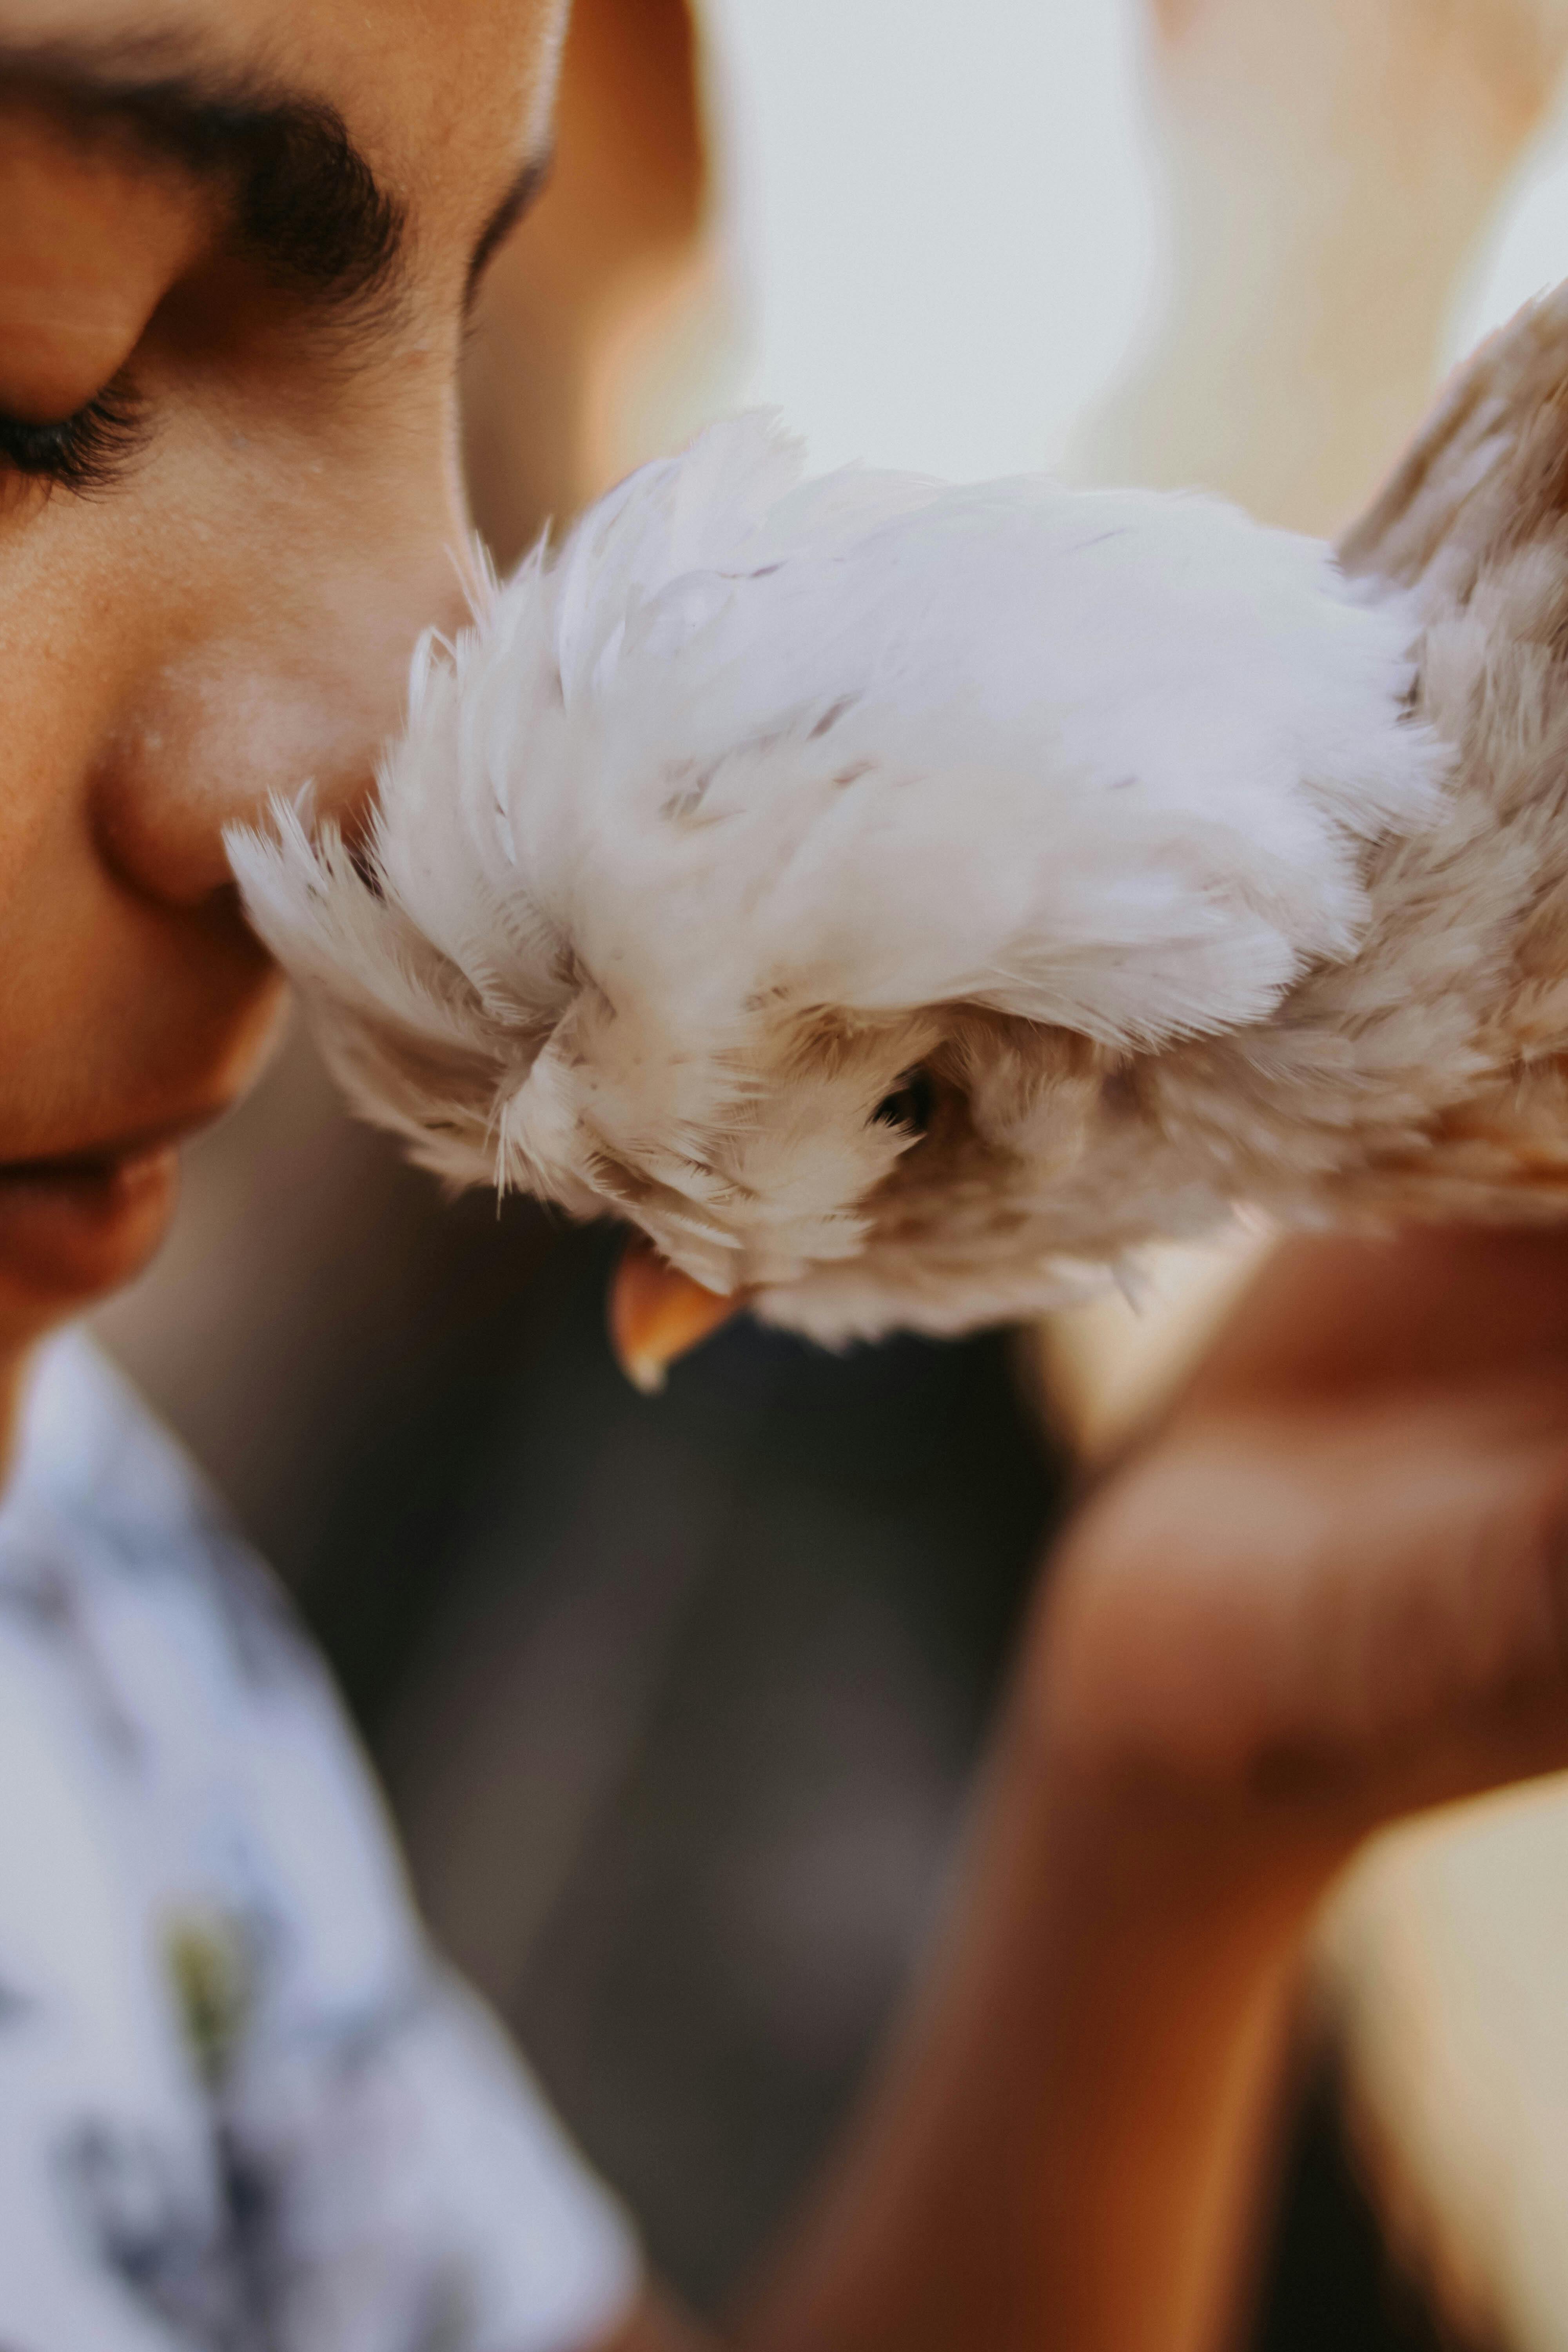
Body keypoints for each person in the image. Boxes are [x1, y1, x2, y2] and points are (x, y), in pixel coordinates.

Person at [4, 3, 1568, 2347]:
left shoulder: (102, 1651)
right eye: (36, 371)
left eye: (450, 339)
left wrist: (1159, 1819)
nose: (349, 763)